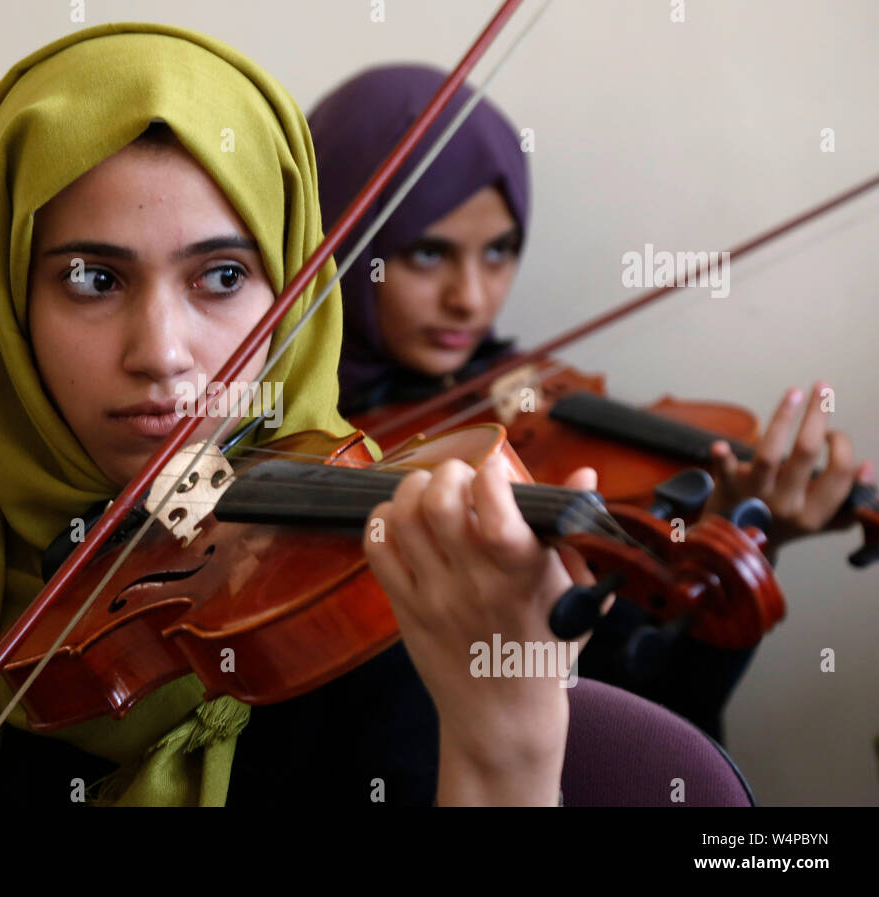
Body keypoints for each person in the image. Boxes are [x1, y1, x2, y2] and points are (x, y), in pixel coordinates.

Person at [0, 23, 621, 808]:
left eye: (222, 276)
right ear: (5, 309)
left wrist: (510, 751)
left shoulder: (386, 612)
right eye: (93, 278)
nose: (160, 353)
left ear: (293, 287)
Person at [308, 63, 873, 740]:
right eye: (428, 254)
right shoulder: (289, 428)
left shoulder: (534, 397)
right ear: (341, 237)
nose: (472, 297)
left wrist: (736, 548)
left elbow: (642, 717)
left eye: (499, 251)